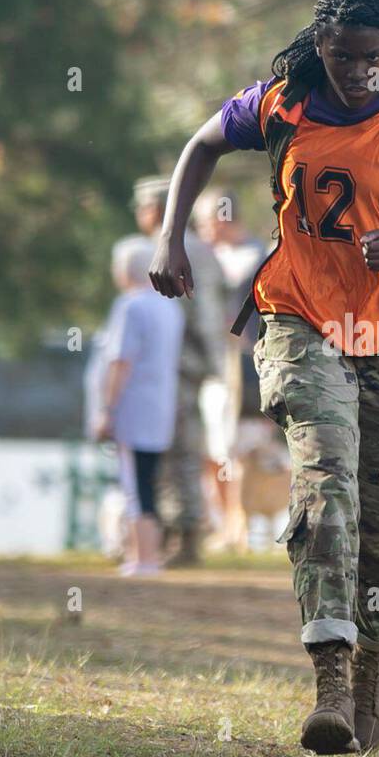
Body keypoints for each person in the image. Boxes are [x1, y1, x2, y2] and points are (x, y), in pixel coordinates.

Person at [148, 0, 379, 756]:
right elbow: (200, 144)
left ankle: (371, 668)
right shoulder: (281, 102)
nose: (356, 69)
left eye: (370, 56)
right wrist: (172, 237)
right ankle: (328, 675)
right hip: (299, 314)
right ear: (319, 49)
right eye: (341, 56)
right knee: (323, 481)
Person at [134, 175, 226, 567]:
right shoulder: (191, 248)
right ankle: (166, 534)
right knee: (167, 449)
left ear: (154, 208)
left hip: (178, 366)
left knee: (180, 450)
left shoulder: (188, 250)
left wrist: (210, 364)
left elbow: (206, 316)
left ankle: (185, 536)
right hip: (166, 366)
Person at [93, 236, 185, 575]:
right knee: (149, 480)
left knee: (135, 484)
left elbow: (120, 361)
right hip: (161, 404)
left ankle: (143, 557)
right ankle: (148, 555)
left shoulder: (130, 306)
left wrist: (107, 408)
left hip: (134, 407)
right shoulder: (169, 307)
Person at [195, 187, 268, 551]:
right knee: (213, 449)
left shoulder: (259, 257)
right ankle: (221, 522)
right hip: (212, 368)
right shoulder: (204, 260)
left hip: (246, 367)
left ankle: (240, 526)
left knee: (240, 449)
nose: (202, 230)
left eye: (206, 221)